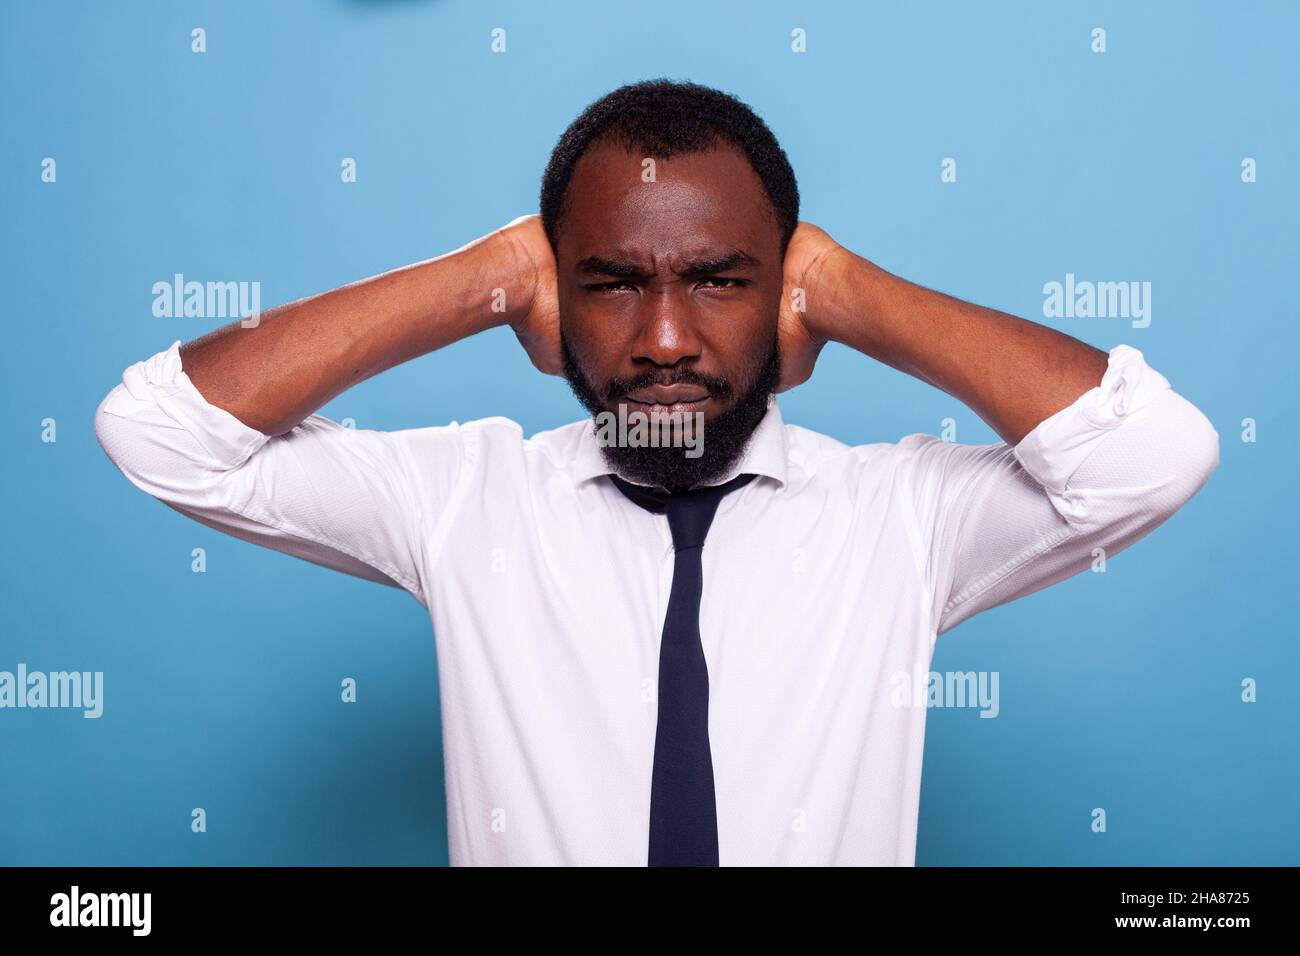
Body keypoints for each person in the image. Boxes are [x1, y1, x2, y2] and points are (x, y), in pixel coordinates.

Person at [94, 79, 1220, 866]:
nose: (667, 340)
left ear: (784, 293)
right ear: (554, 301)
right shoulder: (462, 500)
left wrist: (848, 290)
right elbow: (161, 431)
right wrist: (485, 274)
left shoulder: (901, 515)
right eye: (612, 283)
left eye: (722, 281)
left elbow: (1150, 455)